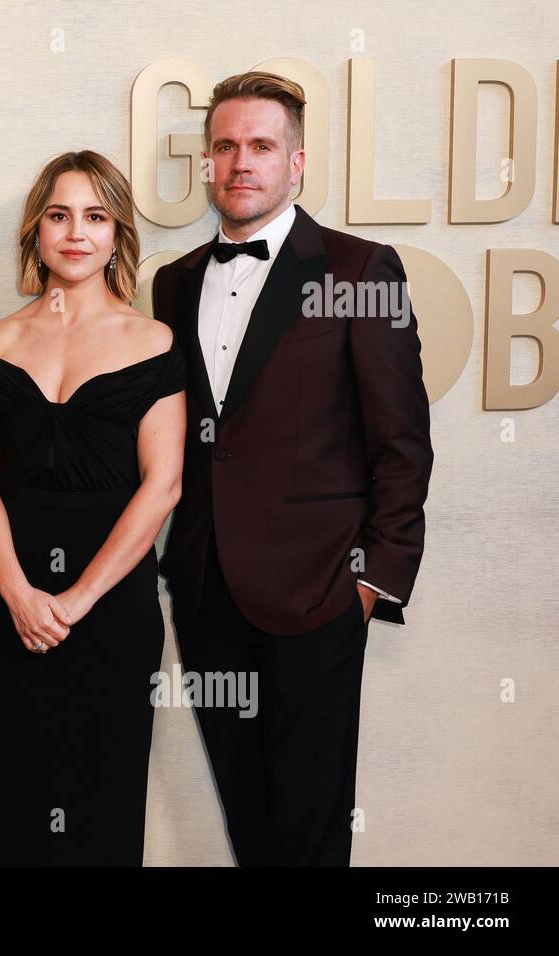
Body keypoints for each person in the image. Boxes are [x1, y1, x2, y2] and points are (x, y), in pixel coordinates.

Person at [151, 72, 434, 866]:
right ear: (208, 162)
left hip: (319, 591)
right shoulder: (172, 285)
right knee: (248, 820)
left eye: (262, 147)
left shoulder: (358, 269)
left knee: (308, 830)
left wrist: (375, 579)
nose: (242, 162)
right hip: (206, 589)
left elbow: (402, 442)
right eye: (227, 146)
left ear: (297, 161)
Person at [0, 150, 186, 865]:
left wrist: (79, 598)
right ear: (36, 230)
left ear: (117, 233)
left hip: (112, 611)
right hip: (10, 604)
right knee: (15, 788)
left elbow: (165, 485)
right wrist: (19, 594)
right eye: (59, 215)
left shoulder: (154, 343)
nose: (76, 233)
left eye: (95, 216)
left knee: (105, 792)